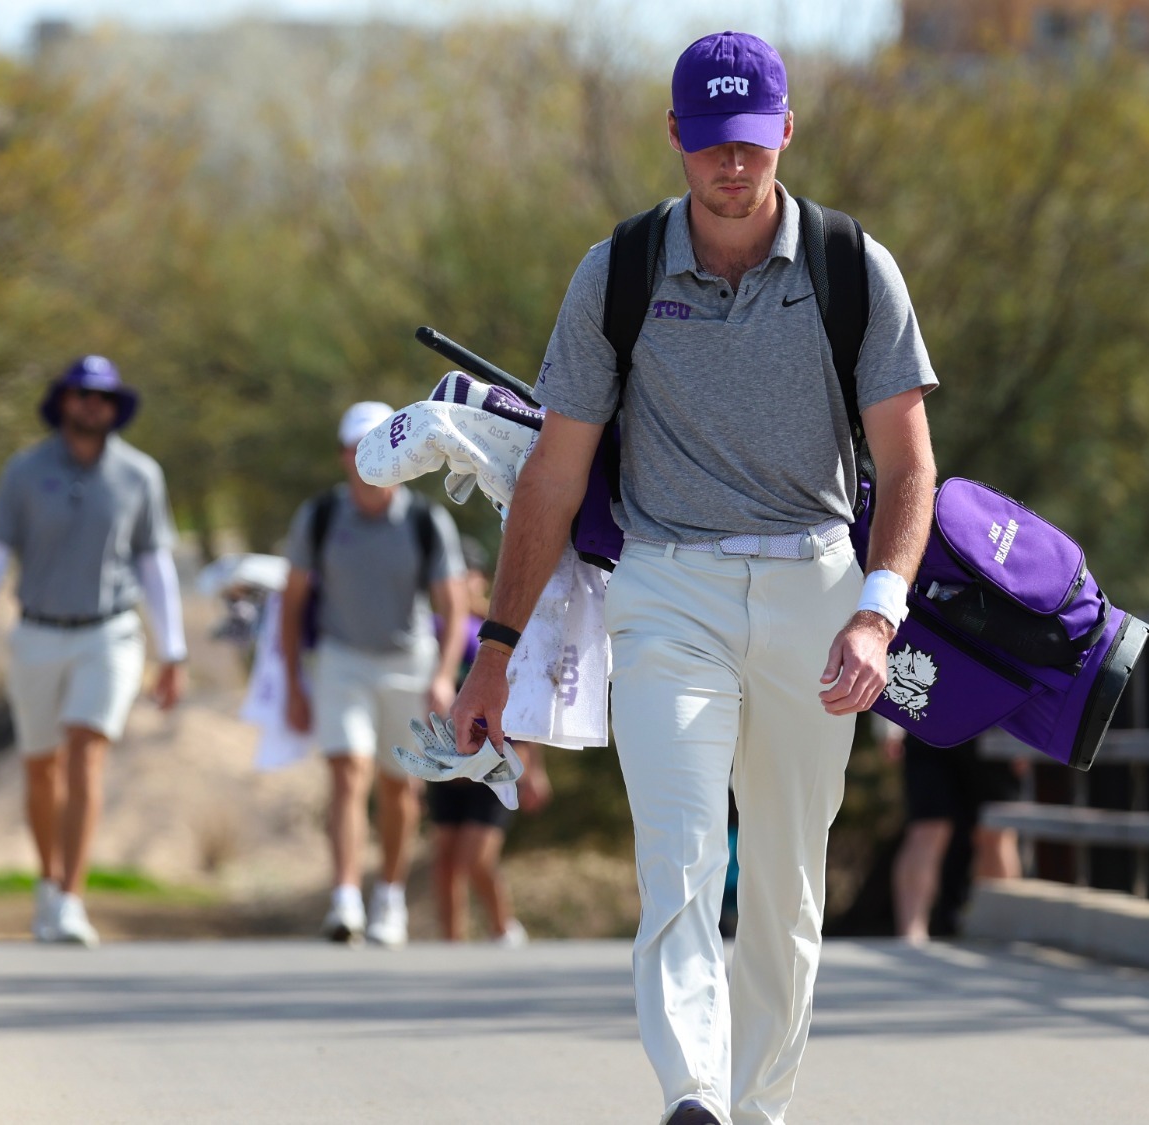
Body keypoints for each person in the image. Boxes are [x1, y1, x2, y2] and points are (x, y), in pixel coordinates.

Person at [452, 33, 940, 1125]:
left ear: (785, 135)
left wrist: (875, 614)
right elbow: (550, 479)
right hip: (666, 588)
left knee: (782, 890)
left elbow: (908, 469)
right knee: (675, 856)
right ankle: (694, 1098)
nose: (733, 166)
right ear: (675, 136)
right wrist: (495, 654)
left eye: (753, 143)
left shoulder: (850, 266)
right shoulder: (617, 272)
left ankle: (756, 1111)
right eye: (712, 142)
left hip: (819, 598)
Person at [0, 356, 187, 948]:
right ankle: (48, 882)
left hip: (110, 632)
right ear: (62, 403)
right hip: (37, 632)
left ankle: (73, 899)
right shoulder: (25, 472)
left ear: (114, 408)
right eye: (81, 395)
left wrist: (173, 649)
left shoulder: (139, 475)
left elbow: (155, 563)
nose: (91, 405)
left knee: (86, 750)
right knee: (40, 765)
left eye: (102, 397)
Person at [280, 402, 468, 947]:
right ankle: (344, 898)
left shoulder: (424, 521)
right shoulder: (319, 518)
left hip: (408, 663)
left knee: (399, 786)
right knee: (346, 771)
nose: (367, 457)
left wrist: (442, 674)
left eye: (378, 444)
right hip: (341, 660)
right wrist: (293, 681)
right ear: (343, 455)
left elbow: (453, 606)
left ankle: (388, 896)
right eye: (356, 447)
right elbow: (291, 605)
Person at [429, 540, 549, 946]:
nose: (459, 583)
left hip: (497, 762)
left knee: (476, 860)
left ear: (480, 579)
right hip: (448, 766)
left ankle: (504, 930)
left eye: (467, 575)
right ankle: (453, 946)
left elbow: (526, 701)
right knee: (444, 861)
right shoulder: (434, 632)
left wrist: (534, 769)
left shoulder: (501, 632)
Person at [878, 719, 1022, 944]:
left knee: (995, 832)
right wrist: (890, 727)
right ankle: (910, 937)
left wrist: (1030, 735)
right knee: (927, 828)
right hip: (927, 717)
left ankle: (1001, 934)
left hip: (998, 721)